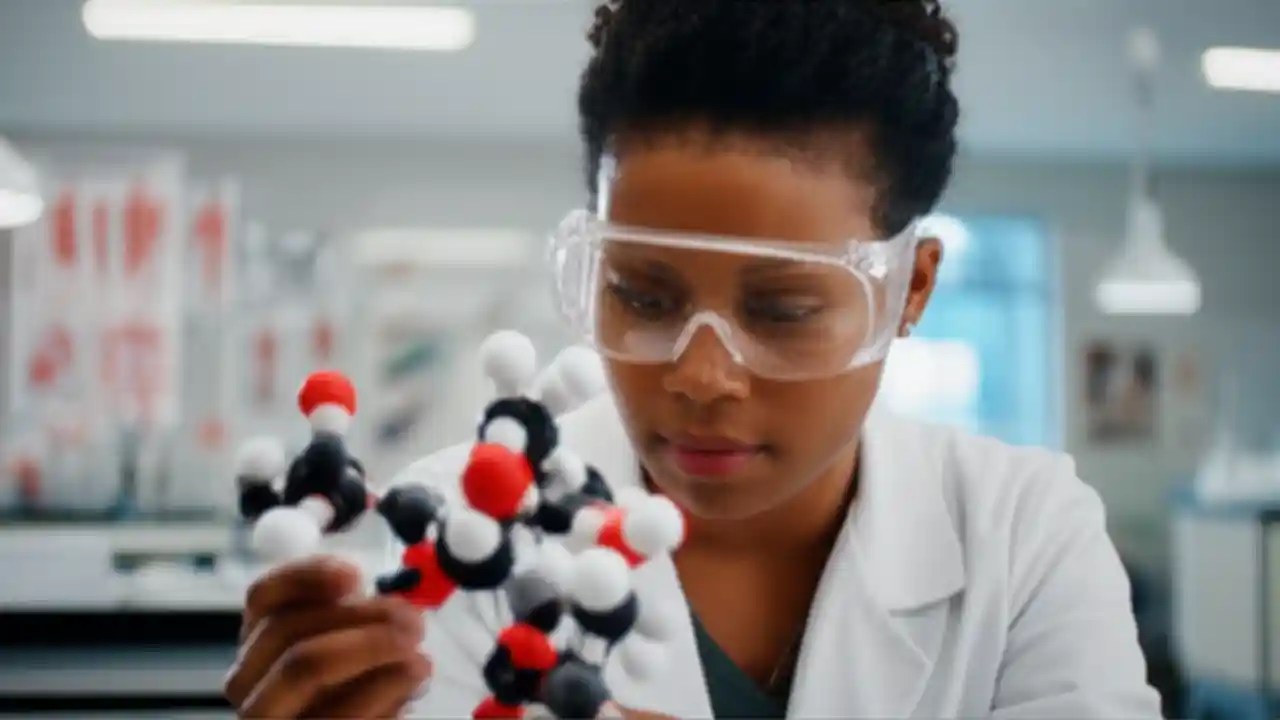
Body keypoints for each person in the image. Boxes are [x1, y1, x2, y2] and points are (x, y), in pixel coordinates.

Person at [224, 0, 1164, 717]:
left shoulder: (1027, 537)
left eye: (784, 309)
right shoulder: (467, 533)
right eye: (642, 295)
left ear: (910, 290)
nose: (702, 376)